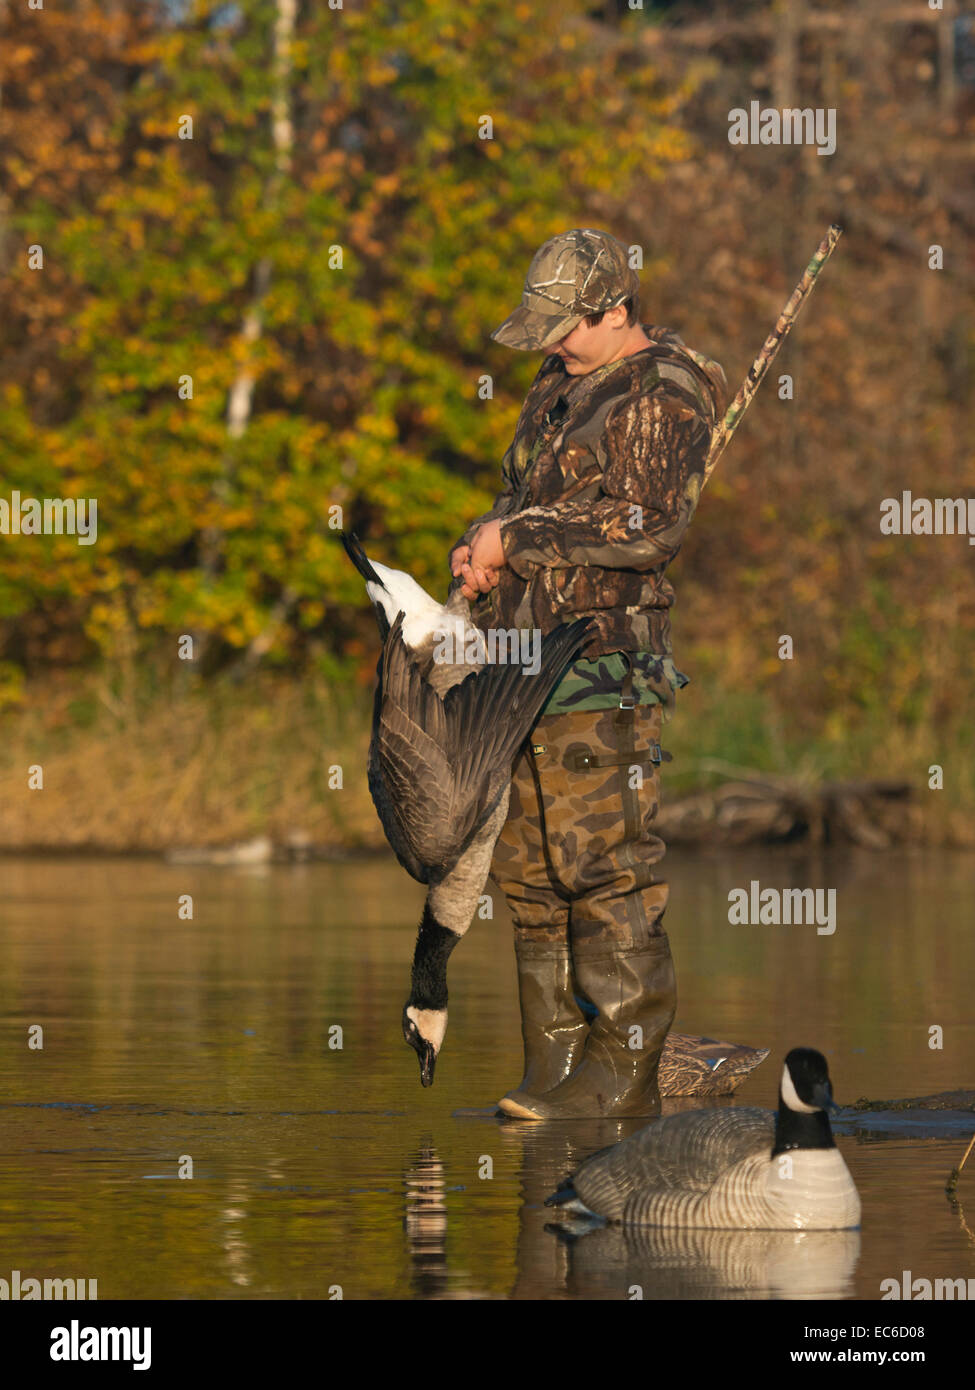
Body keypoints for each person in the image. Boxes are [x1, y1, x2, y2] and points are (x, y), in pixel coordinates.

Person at [449, 228, 739, 1120]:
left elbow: (649, 528)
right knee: (526, 871)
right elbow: (523, 494)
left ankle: (622, 1074)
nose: (549, 344)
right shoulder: (558, 381)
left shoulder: (663, 392)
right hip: (518, 664)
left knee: (602, 865)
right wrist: (481, 547)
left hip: (601, 667)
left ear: (616, 310)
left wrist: (521, 539)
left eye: (563, 326)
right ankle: (554, 1063)